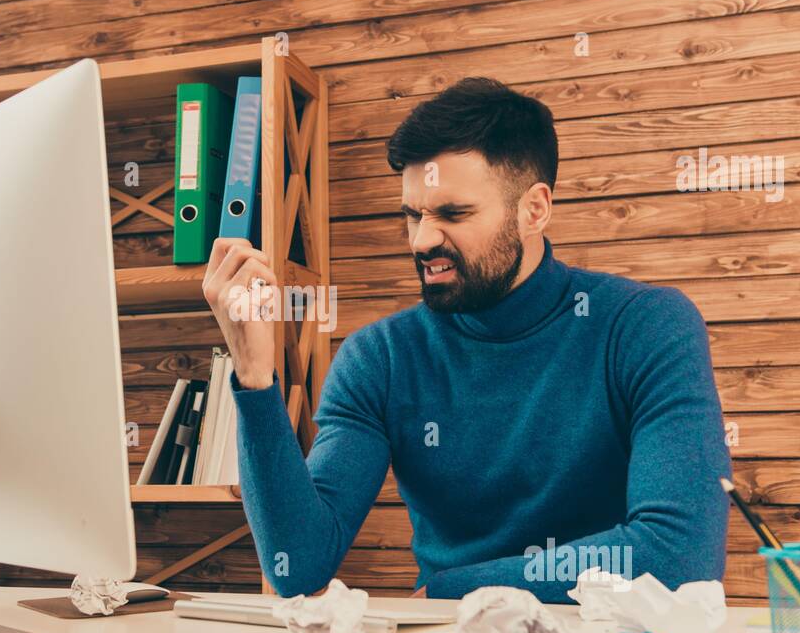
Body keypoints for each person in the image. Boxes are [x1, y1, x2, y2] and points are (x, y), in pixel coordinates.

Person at [201, 77, 731, 602]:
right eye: (413, 215)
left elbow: (680, 554)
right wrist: (254, 377)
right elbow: (298, 565)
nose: (423, 239)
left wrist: (454, 591)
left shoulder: (647, 327)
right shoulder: (379, 358)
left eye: (452, 214)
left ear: (535, 209)